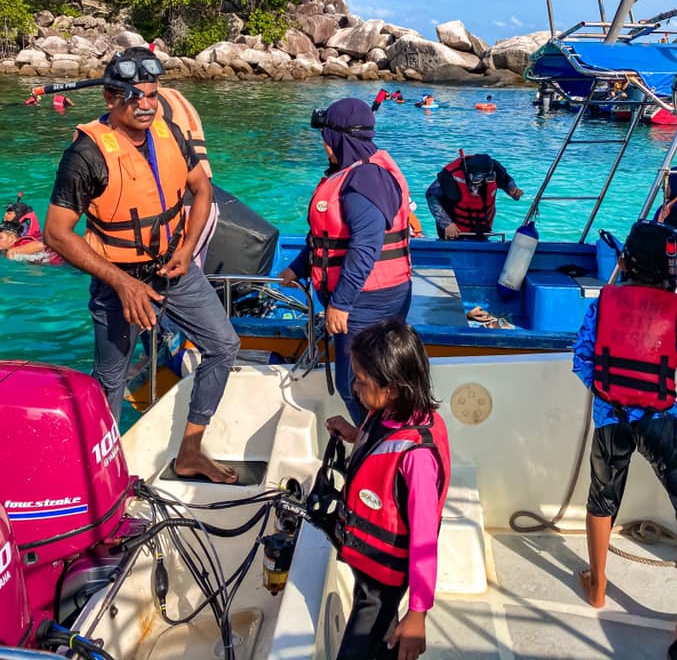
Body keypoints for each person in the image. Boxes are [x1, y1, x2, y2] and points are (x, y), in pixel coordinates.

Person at [44, 48, 240, 483]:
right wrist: (120, 283)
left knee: (224, 344)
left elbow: (202, 191)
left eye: (153, 95)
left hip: (174, 268)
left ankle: (190, 451)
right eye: (136, 98)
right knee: (110, 380)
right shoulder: (86, 155)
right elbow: (55, 232)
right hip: (119, 280)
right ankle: (103, 477)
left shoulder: (168, 132)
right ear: (110, 99)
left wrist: (188, 248)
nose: (147, 105)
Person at [573, 219, 677, 645]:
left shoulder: (602, 304)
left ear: (628, 261)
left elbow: (582, 360)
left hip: (610, 420)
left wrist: (607, 396)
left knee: (602, 500)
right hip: (660, 422)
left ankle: (597, 586)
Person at [278, 98, 412, 424]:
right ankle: (375, 444)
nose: (324, 145)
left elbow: (366, 245)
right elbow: (329, 238)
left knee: (357, 385)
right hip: (371, 296)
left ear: (340, 138)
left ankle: (379, 450)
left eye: (327, 136)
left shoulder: (364, 181)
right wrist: (296, 269)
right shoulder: (354, 173)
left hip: (369, 301)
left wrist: (342, 303)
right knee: (366, 382)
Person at [326, 320, 450, 660]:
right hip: (368, 569)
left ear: (393, 387)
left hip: (383, 584)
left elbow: (424, 539)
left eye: (362, 382)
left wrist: (418, 614)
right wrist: (353, 434)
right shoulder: (388, 411)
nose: (354, 387)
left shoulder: (419, 458)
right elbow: (381, 446)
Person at [156, 81, 218, 269]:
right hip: (207, 203)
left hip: (183, 207)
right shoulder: (179, 98)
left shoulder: (150, 106)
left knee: (171, 283)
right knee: (191, 276)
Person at [425, 151, 523, 240]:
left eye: (488, 179)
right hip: (453, 232)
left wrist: (512, 190)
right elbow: (431, 195)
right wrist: (446, 223)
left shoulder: (493, 169)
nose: (482, 184)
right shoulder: (451, 177)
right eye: (477, 179)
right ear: (468, 175)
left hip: (481, 230)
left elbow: (506, 180)